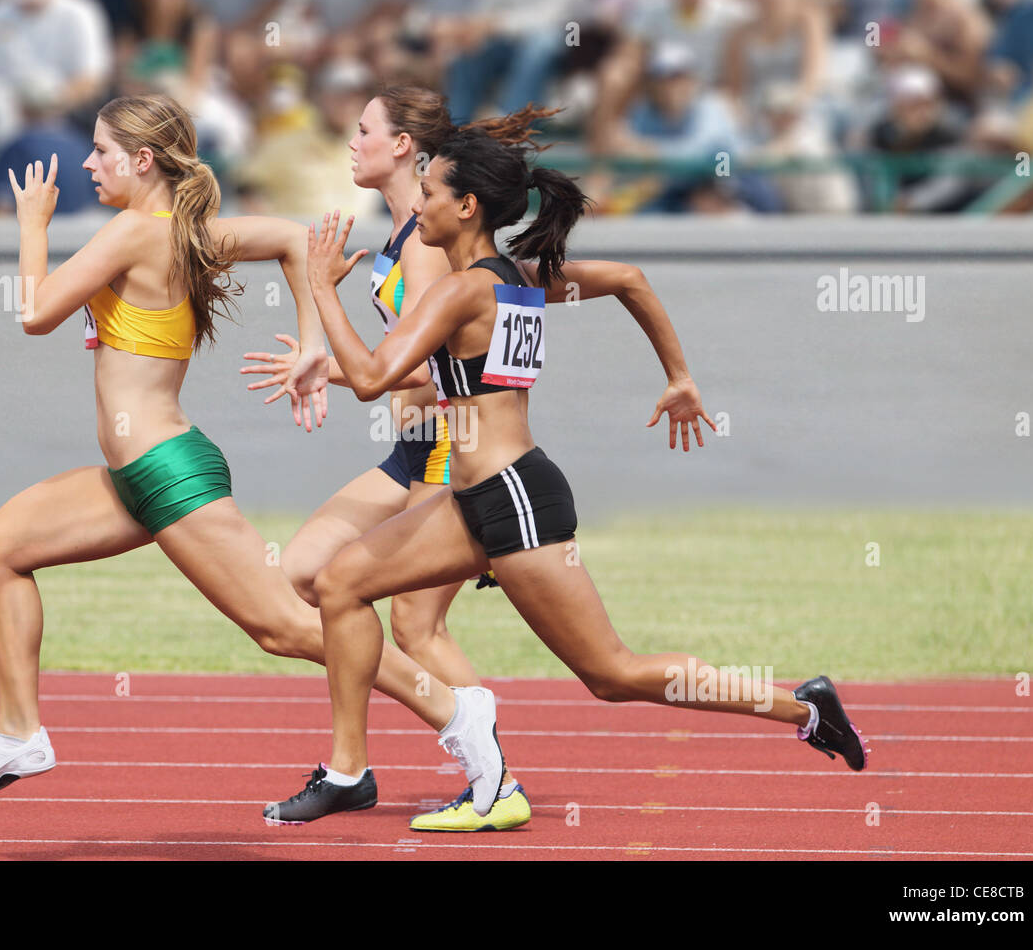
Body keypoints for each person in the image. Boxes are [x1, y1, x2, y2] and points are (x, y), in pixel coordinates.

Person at [262, 126, 869, 824]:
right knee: (340, 583)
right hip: (474, 502)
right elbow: (630, 281)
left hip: (514, 499)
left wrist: (319, 290)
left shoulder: (462, 292)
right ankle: (352, 770)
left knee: (611, 674)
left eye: (428, 194)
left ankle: (801, 706)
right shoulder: (519, 280)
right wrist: (678, 378)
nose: (417, 208)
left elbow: (373, 378)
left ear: (466, 208)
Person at [0, 93, 497, 801]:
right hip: (129, 476)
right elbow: (297, 242)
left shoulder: (135, 233)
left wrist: (32, 226)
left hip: (168, 473)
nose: (87, 164)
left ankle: (454, 709)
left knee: (287, 627)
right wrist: (312, 347)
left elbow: (34, 313)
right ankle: (19, 736)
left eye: (101, 151)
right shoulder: (184, 232)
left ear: (142, 160)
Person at [242, 86, 698, 831]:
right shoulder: (423, 242)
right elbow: (604, 286)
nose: (350, 142)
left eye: (363, 130)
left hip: (450, 460)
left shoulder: (444, 263)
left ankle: (459, 758)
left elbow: (409, 366)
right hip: (425, 455)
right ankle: (430, 750)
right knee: (317, 581)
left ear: (408, 153)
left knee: (410, 622)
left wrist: (336, 337)